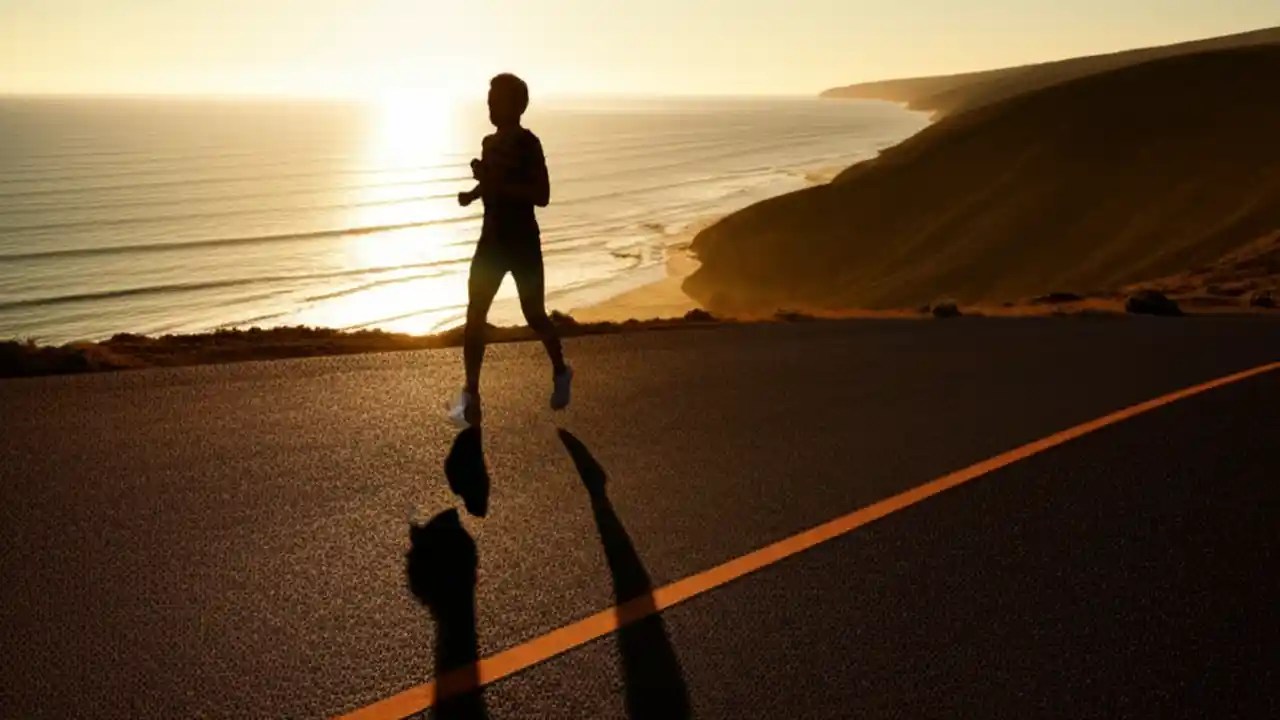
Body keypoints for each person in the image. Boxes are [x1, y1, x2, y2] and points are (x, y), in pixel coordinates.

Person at [448, 73, 571, 428]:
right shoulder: (488, 143)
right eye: (488, 97)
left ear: (515, 105)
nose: (488, 103)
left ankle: (561, 371)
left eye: (494, 98)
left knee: (534, 315)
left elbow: (542, 195)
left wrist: (496, 183)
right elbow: (492, 185)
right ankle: (472, 393)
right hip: (491, 243)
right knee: (475, 317)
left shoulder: (529, 144)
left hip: (522, 243)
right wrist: (474, 192)